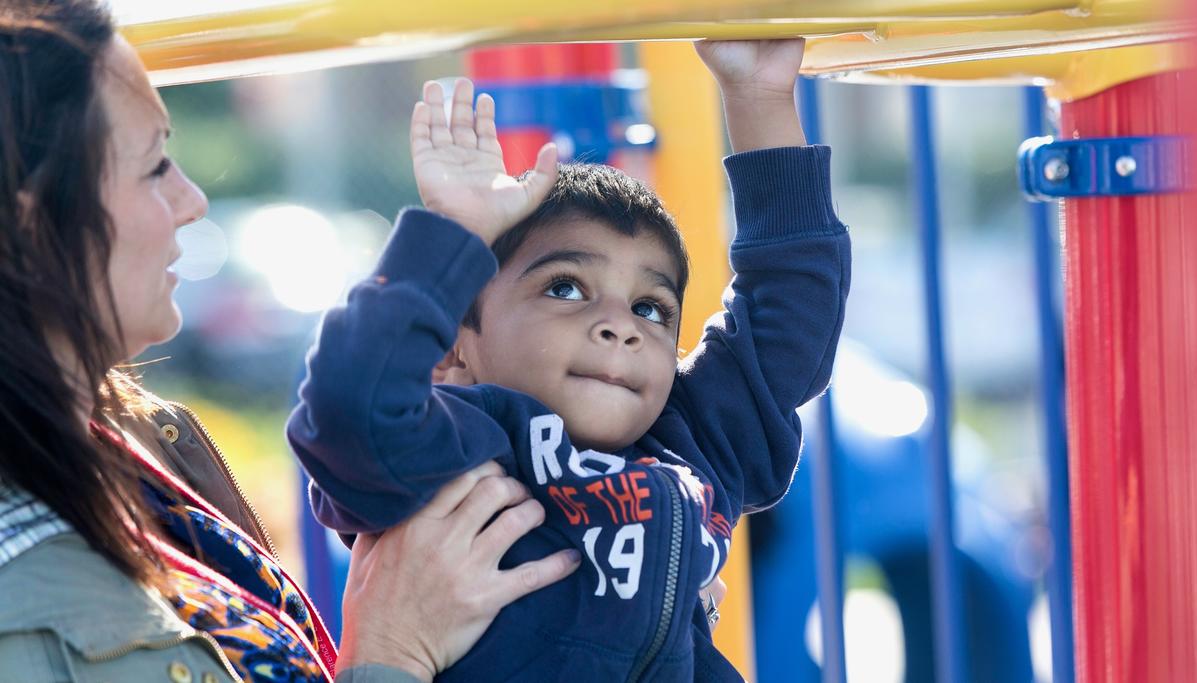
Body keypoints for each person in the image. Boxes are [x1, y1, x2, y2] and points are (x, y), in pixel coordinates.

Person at [0, 1, 580, 681]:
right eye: (156, 165)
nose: (193, 199)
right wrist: (392, 652)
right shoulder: (23, 609)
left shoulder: (130, 444)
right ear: (38, 226)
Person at [288, 37, 851, 681]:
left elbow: (786, 321)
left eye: (651, 308)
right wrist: (457, 231)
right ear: (453, 351)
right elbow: (345, 405)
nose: (619, 326)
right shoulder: (456, 451)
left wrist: (758, 99)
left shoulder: (689, 442)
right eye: (565, 288)